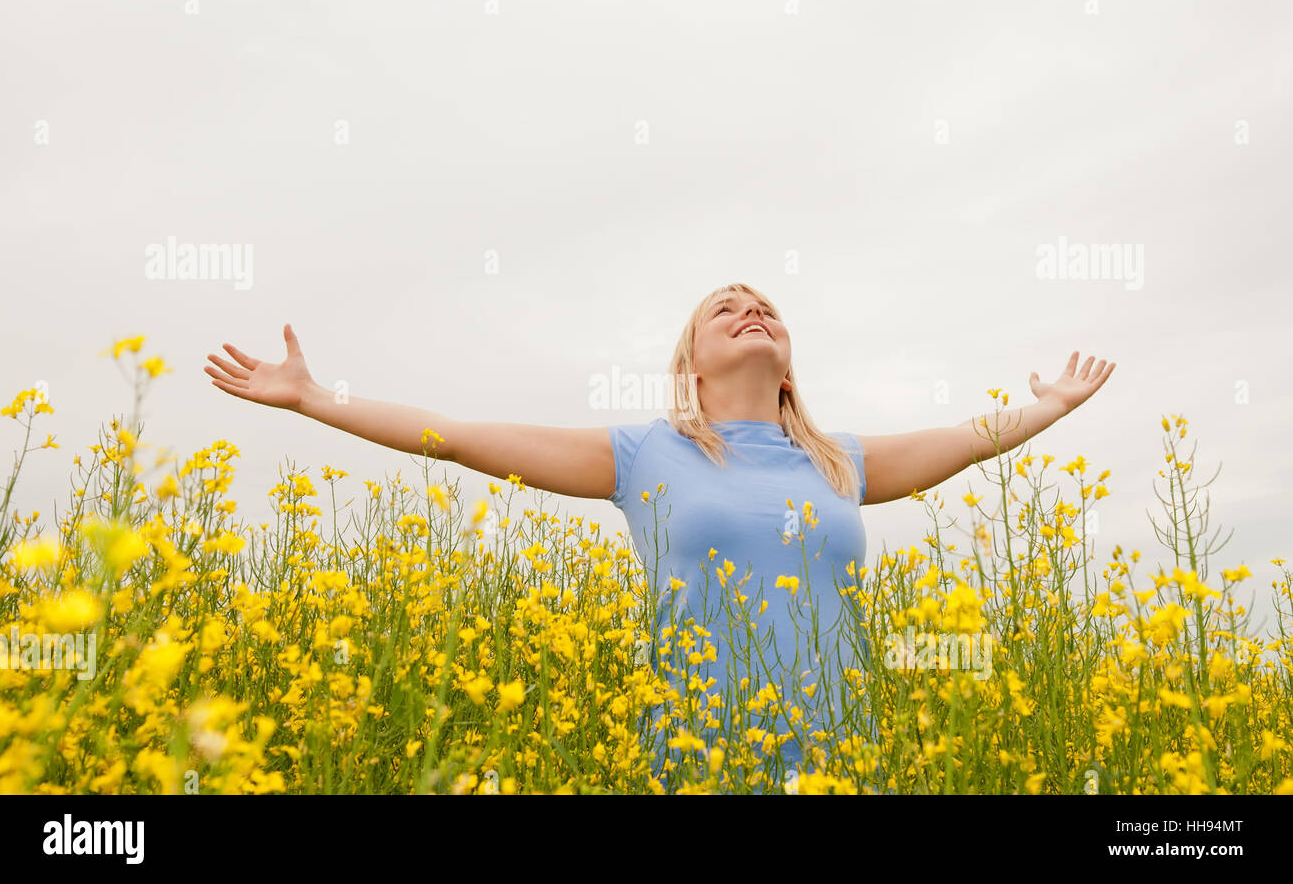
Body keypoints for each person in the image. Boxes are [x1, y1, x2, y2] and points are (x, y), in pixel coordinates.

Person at [205, 282, 1115, 794]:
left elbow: (967, 441)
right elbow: (459, 435)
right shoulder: (644, 454)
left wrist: (1046, 409)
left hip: (843, 765)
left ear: (790, 357)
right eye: (728, 309)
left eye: (768, 308)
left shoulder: (843, 460)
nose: (754, 310)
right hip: (696, 760)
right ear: (690, 360)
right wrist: (317, 400)